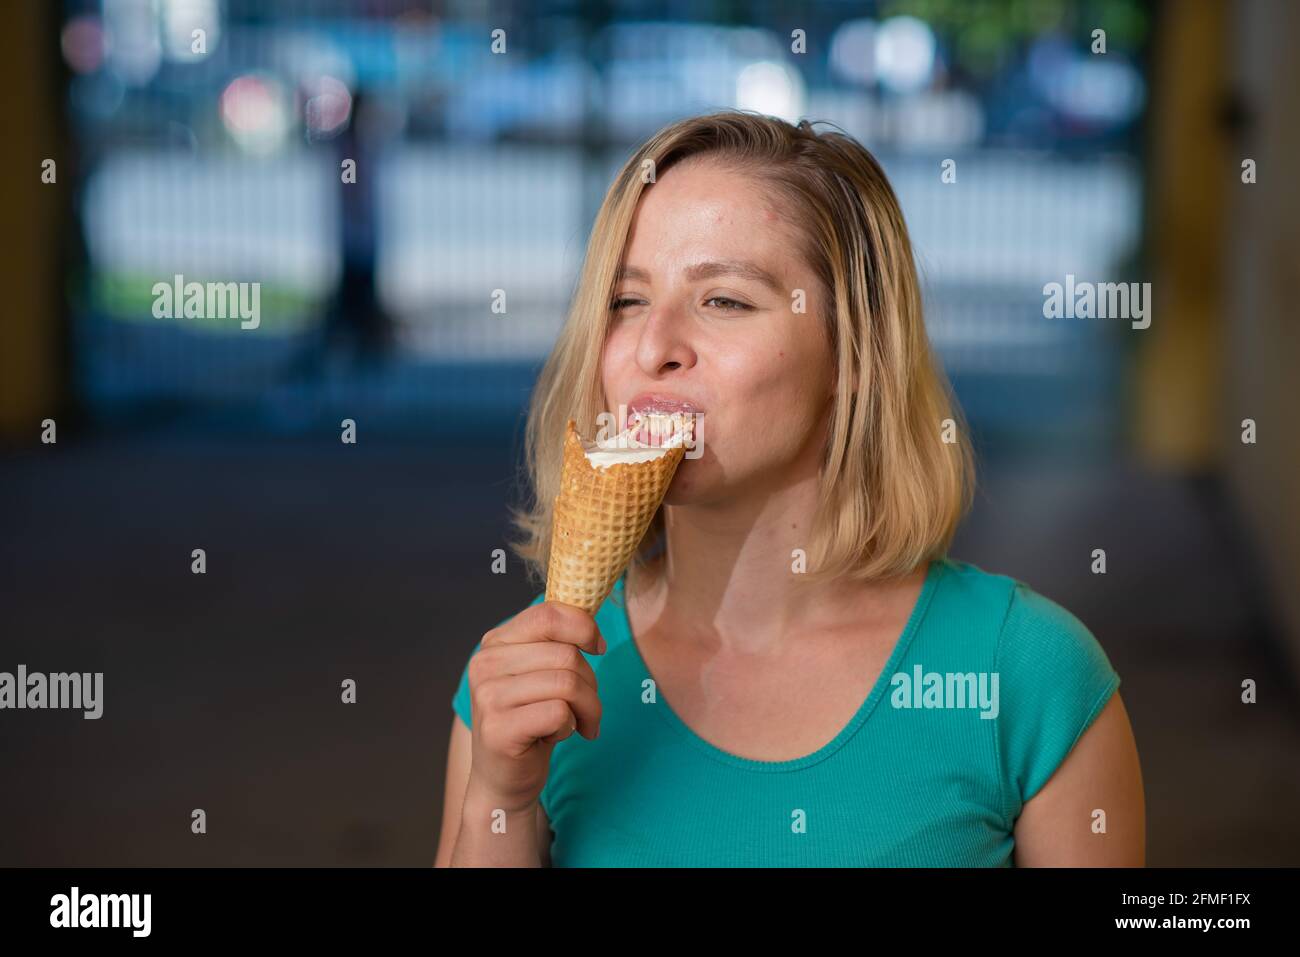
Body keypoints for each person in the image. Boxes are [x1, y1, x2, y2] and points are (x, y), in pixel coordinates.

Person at [435, 111, 1144, 867]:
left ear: (853, 353)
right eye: (626, 300)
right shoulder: (526, 685)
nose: (652, 347)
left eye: (725, 301)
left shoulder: (1027, 672)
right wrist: (500, 801)